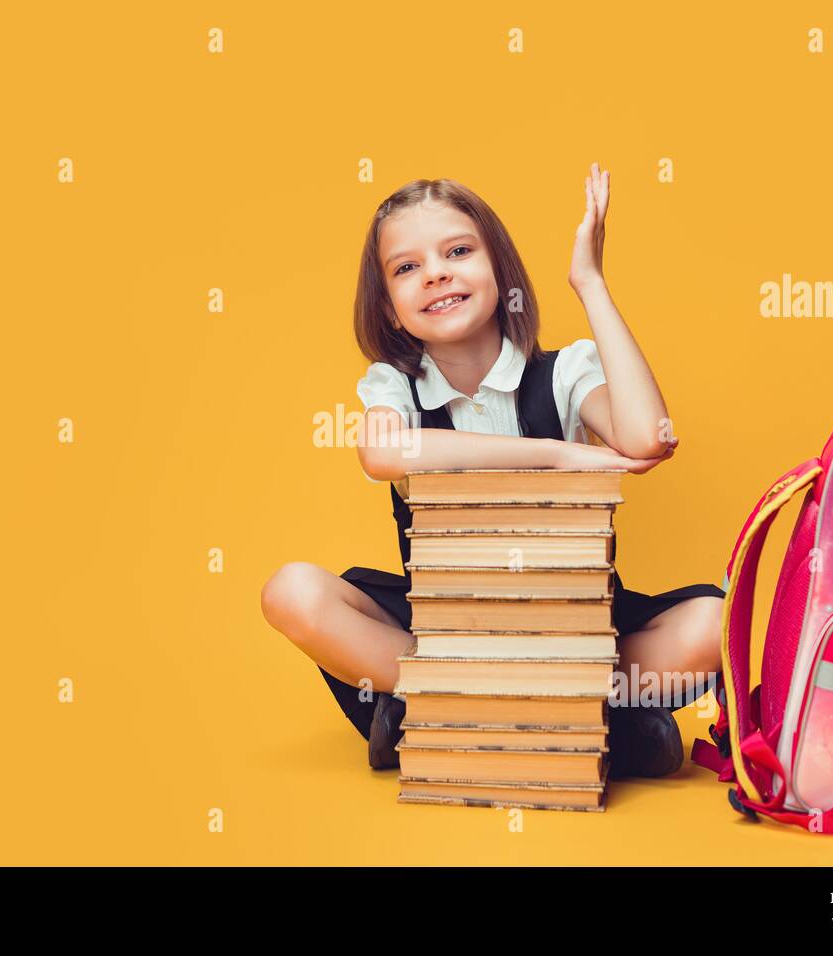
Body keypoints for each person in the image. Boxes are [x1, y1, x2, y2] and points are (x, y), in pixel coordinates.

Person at [261, 164, 725, 777]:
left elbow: (648, 438)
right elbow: (382, 455)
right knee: (292, 592)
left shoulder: (561, 373)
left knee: (718, 620)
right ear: (390, 308)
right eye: (406, 267)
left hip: (576, 642)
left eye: (457, 251)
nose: (436, 273)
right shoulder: (392, 388)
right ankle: (586, 724)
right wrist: (557, 455)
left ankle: (450, 716)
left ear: (501, 273)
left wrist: (590, 283)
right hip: (448, 637)